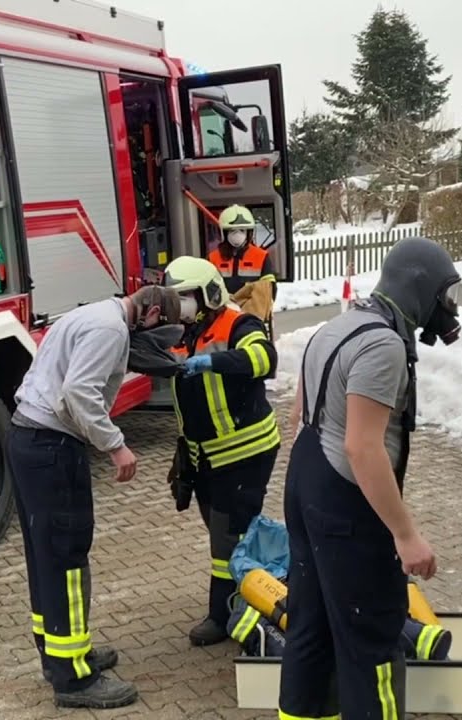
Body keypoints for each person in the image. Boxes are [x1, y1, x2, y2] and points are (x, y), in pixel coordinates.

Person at [277, 236, 462, 720]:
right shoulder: (383, 345)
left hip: (306, 485)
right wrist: (406, 535)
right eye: (445, 294)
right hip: (346, 504)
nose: (449, 307)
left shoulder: (336, 325)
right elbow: (361, 447)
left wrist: (314, 493)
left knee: (311, 629)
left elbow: (298, 415)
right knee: (371, 640)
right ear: (419, 286)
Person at [6, 284, 184, 710]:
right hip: (51, 447)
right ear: (152, 313)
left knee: (46, 557)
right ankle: (74, 679)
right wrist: (115, 444)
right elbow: (79, 392)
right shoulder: (111, 329)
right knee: (66, 558)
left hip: (28, 437)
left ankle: (61, 655)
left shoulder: (92, 313)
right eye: (159, 330)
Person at [161, 255, 281, 646]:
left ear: (207, 293)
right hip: (205, 455)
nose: (179, 304)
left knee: (227, 537)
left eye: (185, 296)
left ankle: (224, 614)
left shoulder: (239, 323)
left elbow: (265, 358)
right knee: (226, 531)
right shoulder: (181, 331)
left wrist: (212, 362)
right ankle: (261, 591)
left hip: (245, 451)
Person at [210, 204, 277, 326]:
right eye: (232, 231)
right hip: (222, 312)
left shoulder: (261, 256)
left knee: (263, 287)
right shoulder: (213, 258)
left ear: (249, 233)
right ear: (224, 233)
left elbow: (269, 290)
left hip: (251, 315)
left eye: (242, 230)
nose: (237, 235)